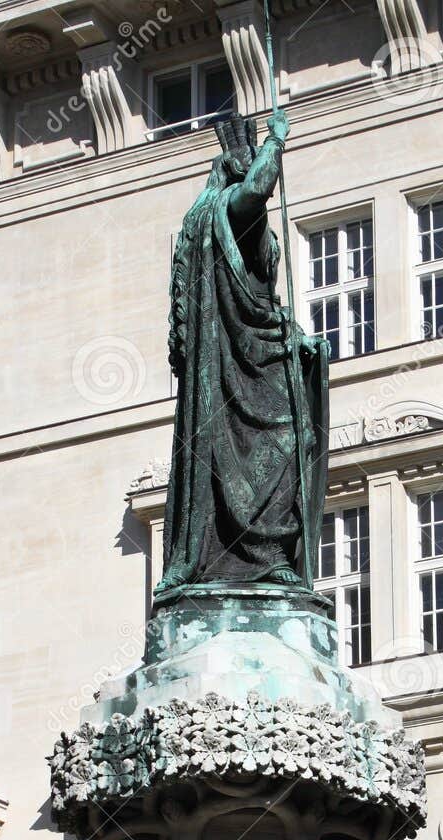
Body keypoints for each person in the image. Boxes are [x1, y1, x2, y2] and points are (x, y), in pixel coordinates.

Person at [157, 111, 329, 599]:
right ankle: (228, 557)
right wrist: (275, 141)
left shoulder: (245, 225)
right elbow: (256, 192)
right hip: (233, 360)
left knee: (290, 443)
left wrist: (297, 339)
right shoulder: (227, 209)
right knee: (273, 443)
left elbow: (265, 300)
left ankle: (271, 556)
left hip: (265, 352)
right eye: (246, 162)